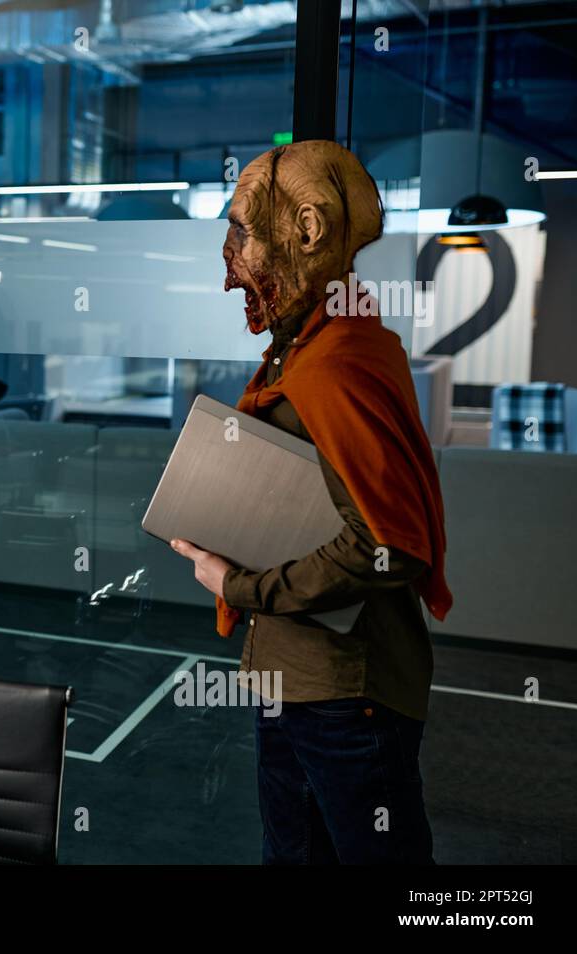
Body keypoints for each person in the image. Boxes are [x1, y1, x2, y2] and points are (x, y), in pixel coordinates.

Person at [170, 140, 452, 864]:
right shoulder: (312, 347)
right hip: (295, 680)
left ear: (306, 230)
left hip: (343, 692)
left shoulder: (339, 362)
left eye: (242, 231)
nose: (229, 262)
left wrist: (237, 583)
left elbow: (389, 543)